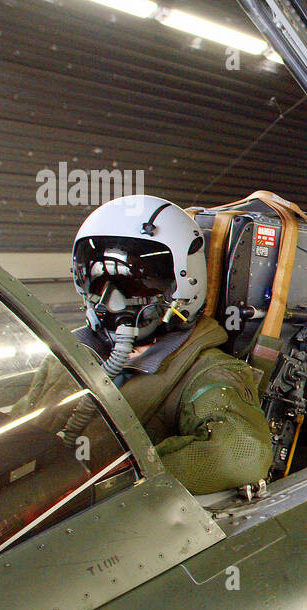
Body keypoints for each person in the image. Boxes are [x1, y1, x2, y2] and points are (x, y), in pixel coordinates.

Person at [21, 195, 273, 494]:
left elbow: (241, 454)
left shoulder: (207, 373)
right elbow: (19, 425)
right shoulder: (72, 355)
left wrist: (107, 487)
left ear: (184, 284)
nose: (109, 300)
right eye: (99, 281)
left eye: (136, 284)